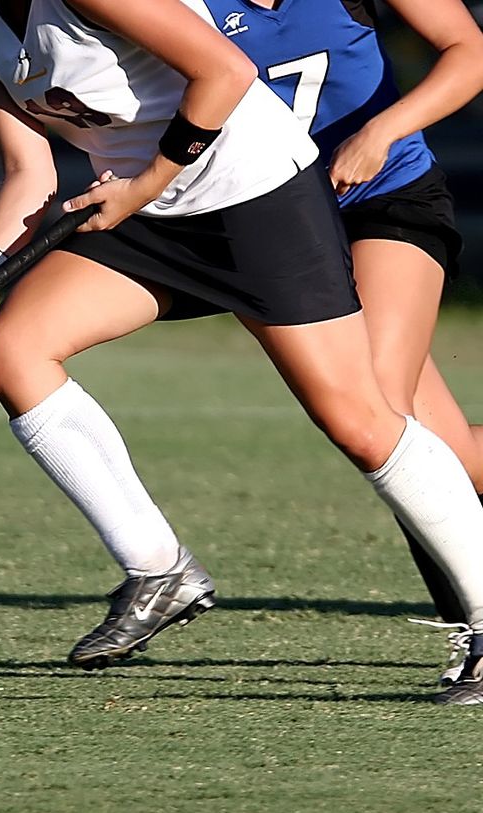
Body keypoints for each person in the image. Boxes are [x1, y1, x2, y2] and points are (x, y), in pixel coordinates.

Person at [0, 0, 483, 704]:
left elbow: (225, 72)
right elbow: (29, 171)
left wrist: (142, 185)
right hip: (155, 211)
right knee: (12, 353)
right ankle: (158, 569)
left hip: (252, 195)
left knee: (362, 418)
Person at [198, 0, 483, 680]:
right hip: (276, 227)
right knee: (449, 454)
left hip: (388, 198)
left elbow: (469, 50)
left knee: (379, 407)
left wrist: (383, 130)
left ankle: (474, 624)